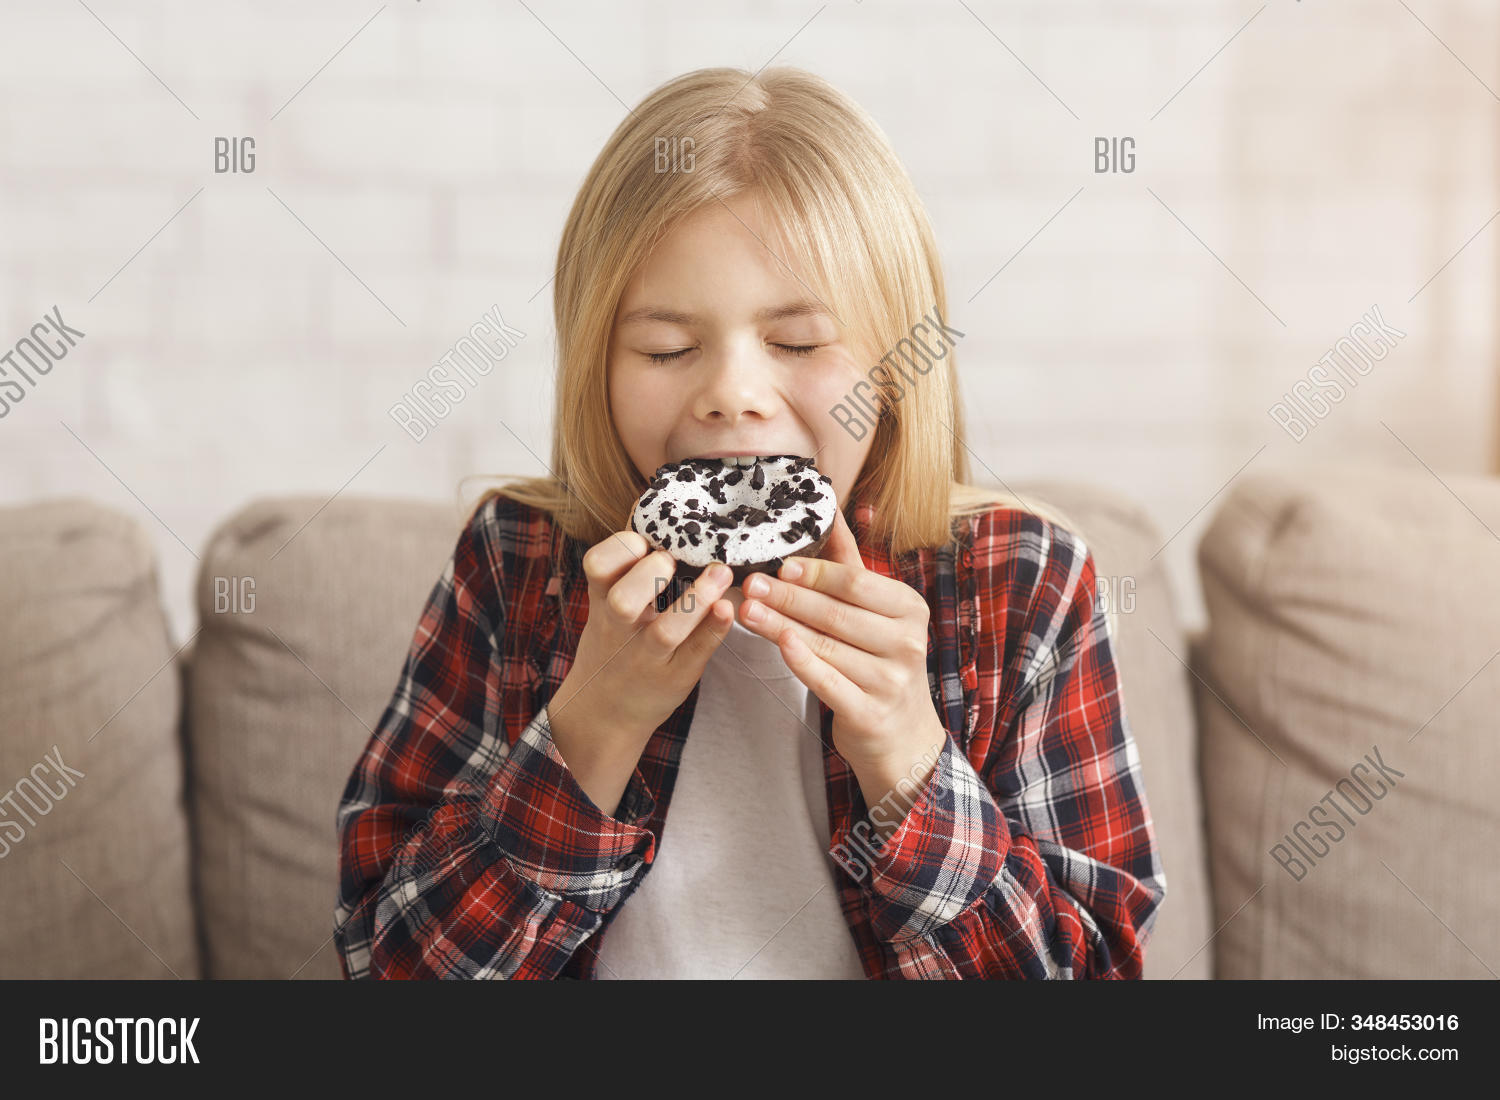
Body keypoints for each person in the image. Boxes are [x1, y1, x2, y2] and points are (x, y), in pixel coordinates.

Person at [334, 65, 1165, 980]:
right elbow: (384, 964)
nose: (732, 394)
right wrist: (592, 727)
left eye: (799, 343)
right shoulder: (514, 563)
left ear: (893, 369)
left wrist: (909, 761)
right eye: (667, 348)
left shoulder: (1024, 583)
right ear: (596, 370)